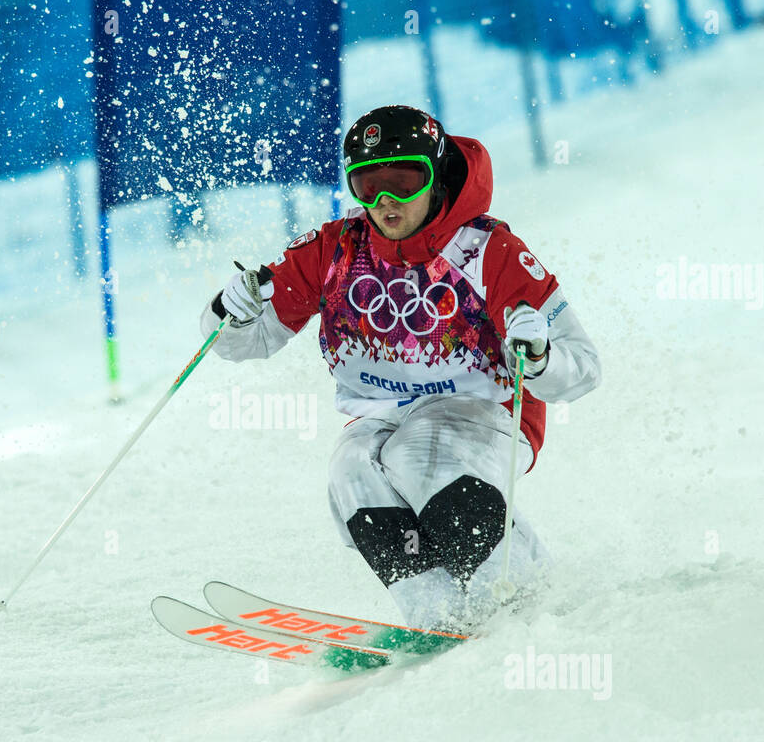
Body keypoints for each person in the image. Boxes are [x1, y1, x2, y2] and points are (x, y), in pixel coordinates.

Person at [200, 105, 601, 629]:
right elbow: (244, 343)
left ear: (434, 177)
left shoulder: (487, 250)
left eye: (403, 180)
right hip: (382, 416)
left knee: (420, 452)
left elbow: (585, 368)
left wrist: (540, 354)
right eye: (368, 185)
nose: (385, 201)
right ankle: (435, 612)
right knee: (352, 469)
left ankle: (524, 593)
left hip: (489, 412)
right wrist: (228, 314)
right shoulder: (335, 249)